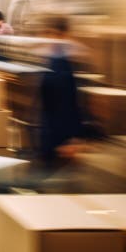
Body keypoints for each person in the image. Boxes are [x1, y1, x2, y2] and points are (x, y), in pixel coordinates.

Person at [37, 15, 84, 174]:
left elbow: (73, 101)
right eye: (48, 34)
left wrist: (74, 138)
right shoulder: (52, 60)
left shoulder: (66, 63)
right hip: (48, 133)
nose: (49, 38)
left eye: (54, 34)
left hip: (61, 137)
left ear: (63, 35)